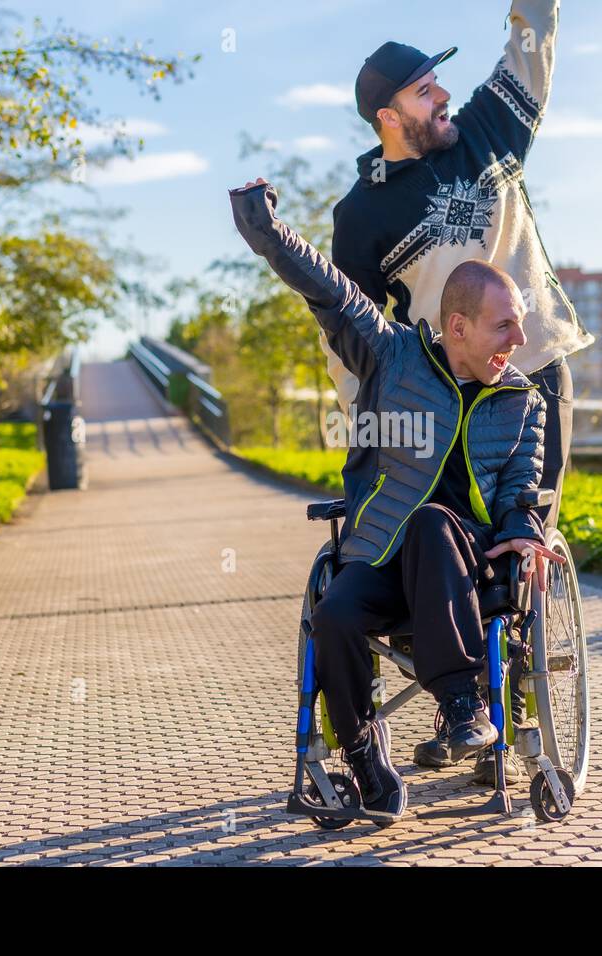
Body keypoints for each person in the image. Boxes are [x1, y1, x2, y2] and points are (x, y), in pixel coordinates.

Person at [230, 178, 565, 822]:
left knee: (435, 523)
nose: (518, 341)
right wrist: (266, 233)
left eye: (520, 325)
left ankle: (464, 704)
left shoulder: (523, 400)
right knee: (334, 615)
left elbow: (524, 484)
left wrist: (526, 525)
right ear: (458, 326)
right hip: (383, 554)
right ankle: (363, 758)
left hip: (471, 565)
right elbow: (330, 291)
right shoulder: (394, 358)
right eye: (505, 327)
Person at [327, 0, 587, 781]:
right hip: (437, 398)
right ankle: (463, 701)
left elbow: (528, 59)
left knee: (518, 549)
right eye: (424, 89)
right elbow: (351, 340)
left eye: (440, 83)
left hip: (533, 374)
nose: (442, 95)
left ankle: (515, 726)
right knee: (436, 531)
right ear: (387, 115)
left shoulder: (483, 133)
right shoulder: (361, 216)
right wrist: (370, 428)